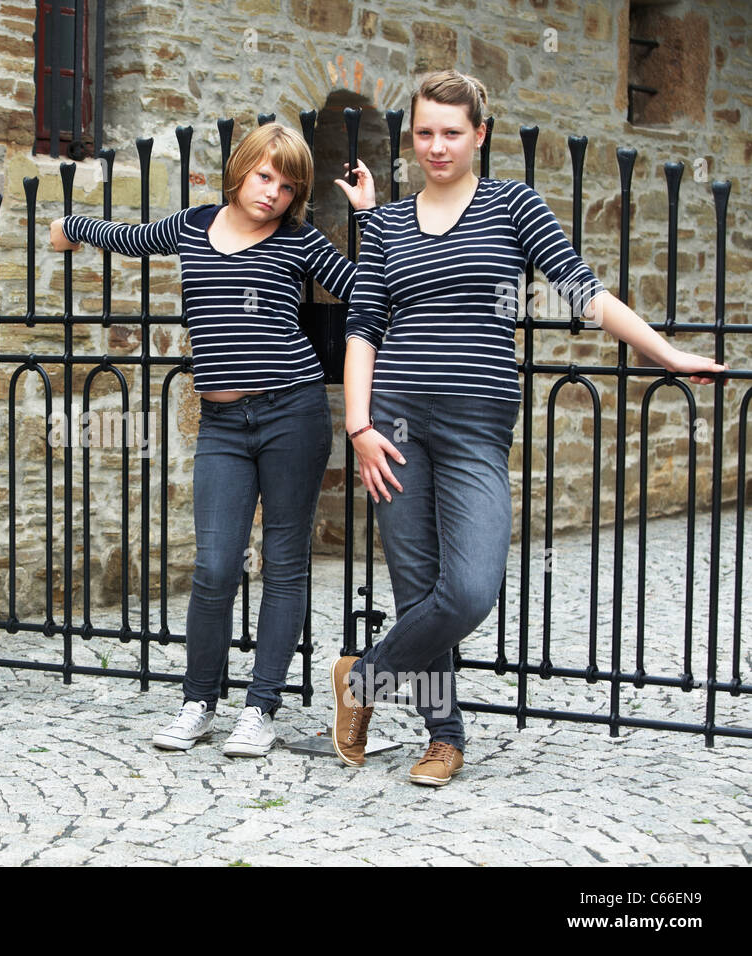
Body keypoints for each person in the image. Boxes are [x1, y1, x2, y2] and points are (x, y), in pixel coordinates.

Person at [333, 70, 725, 785]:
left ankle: (364, 678)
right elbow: (361, 328)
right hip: (393, 423)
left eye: (452, 132)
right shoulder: (384, 224)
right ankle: (442, 738)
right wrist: (358, 426)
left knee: (471, 591)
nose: (436, 146)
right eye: (424, 132)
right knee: (419, 591)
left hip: (477, 427)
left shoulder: (513, 206)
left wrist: (661, 350)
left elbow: (582, 289)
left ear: (480, 134)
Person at [50, 123, 375, 756]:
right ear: (242, 169)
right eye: (263, 177)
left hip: (294, 413)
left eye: (287, 186)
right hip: (222, 424)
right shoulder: (195, 225)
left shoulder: (301, 240)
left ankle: (261, 708)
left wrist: (372, 219)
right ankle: (199, 700)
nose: (272, 193)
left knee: (283, 564)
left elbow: (369, 289)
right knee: (214, 564)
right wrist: (72, 226)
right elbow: (130, 237)